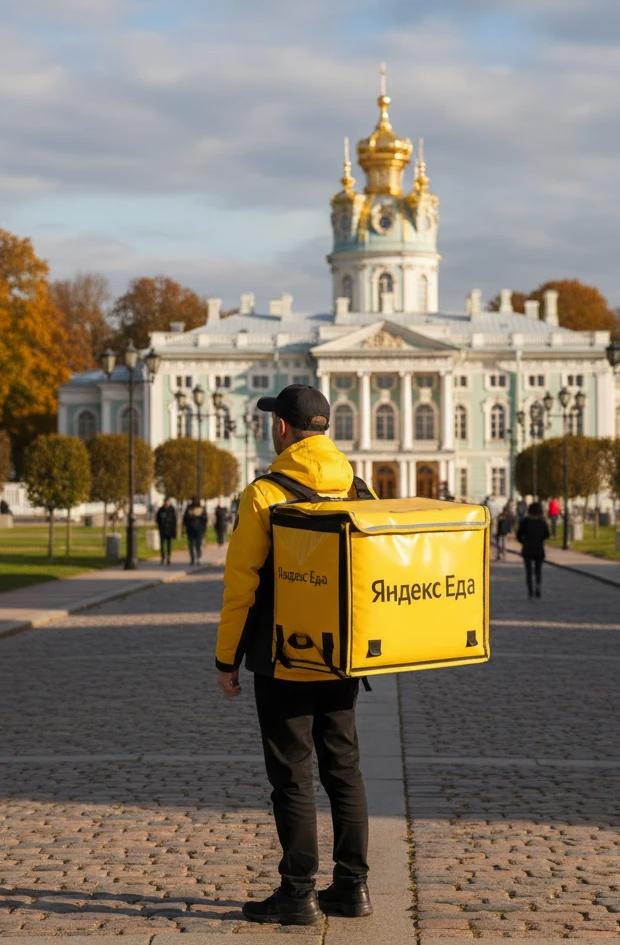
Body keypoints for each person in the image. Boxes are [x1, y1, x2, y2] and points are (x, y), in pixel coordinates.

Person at [215, 384, 373, 926]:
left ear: (281, 427)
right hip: (342, 654)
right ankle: (352, 887)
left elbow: (242, 585)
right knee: (344, 768)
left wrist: (226, 659)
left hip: (282, 654)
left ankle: (297, 893)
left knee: (292, 774)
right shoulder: (359, 489)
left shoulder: (264, 494)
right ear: (324, 427)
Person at [516, 501, 550, 598]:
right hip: (539, 548)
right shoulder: (542, 521)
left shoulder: (526, 521)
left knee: (529, 571)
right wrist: (540, 539)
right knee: (538, 570)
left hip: (528, 549)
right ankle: (538, 586)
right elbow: (547, 534)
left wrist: (523, 542)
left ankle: (530, 591)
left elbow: (519, 535)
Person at [155, 496, 178, 565]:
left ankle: (168, 557)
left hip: (169, 530)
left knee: (169, 545)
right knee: (162, 544)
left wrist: (174, 529)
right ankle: (162, 557)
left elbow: (174, 520)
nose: (167, 503)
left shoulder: (171, 510)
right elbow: (157, 519)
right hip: (162, 529)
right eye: (166, 502)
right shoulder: (161, 510)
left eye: (168, 502)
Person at [183, 498, 206, 565]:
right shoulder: (189, 509)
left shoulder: (201, 509)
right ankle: (192, 558)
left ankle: (198, 557)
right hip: (190, 529)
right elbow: (185, 519)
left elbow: (204, 520)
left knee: (198, 545)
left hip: (198, 530)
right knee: (191, 545)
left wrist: (203, 529)